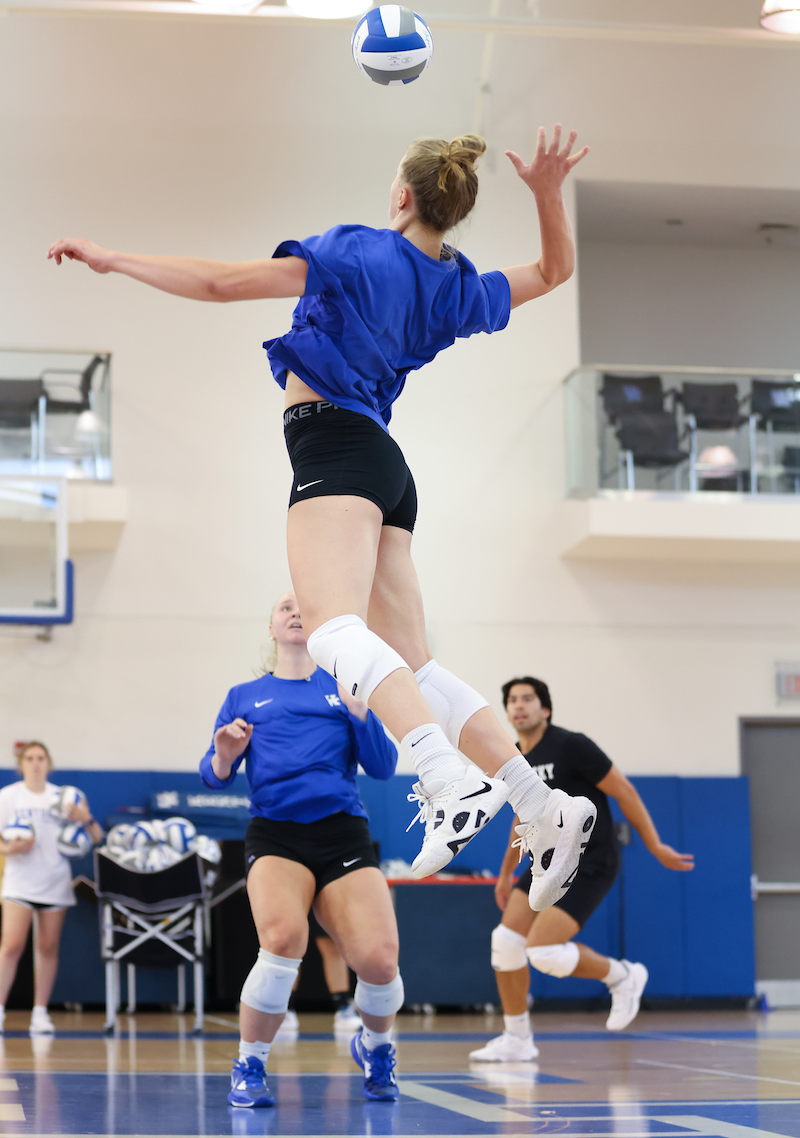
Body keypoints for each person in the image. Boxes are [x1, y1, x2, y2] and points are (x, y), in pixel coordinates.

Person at [48, 124, 596, 910]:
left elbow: (219, 285)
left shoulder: (360, 252)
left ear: (403, 195)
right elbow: (553, 269)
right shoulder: (454, 285)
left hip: (333, 448)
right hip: (383, 468)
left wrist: (114, 258)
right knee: (419, 666)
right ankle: (541, 804)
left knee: (334, 630)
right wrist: (547, 195)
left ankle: (445, 777)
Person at [199, 592, 402, 1107]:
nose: (294, 612)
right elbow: (214, 774)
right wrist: (224, 756)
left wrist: (361, 714)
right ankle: (249, 1066)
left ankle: (376, 1049)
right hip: (276, 834)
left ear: (318, 629)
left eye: (303, 607)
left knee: (379, 961)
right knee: (284, 940)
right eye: (284, 607)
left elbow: (383, 767)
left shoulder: (344, 689)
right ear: (271, 627)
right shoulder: (244, 695)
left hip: (343, 834)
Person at [469, 677, 695, 1062]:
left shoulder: (571, 745)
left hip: (588, 860)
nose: (518, 706)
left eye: (527, 699)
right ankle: (518, 1039)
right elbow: (520, 820)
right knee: (505, 943)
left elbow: (623, 789)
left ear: (546, 708)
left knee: (542, 952)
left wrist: (655, 845)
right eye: (512, 701)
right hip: (544, 860)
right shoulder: (515, 758)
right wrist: (507, 872)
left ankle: (622, 976)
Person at [0, 742, 103, 1035]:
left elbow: (96, 837)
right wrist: (10, 847)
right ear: (21, 764)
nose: (35, 763)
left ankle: (40, 1012)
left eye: (40, 758)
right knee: (11, 946)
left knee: (47, 947)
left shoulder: (66, 798)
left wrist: (87, 819)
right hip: (19, 882)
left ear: (49, 764)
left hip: (55, 881)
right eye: (30, 758)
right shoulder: (8, 797)